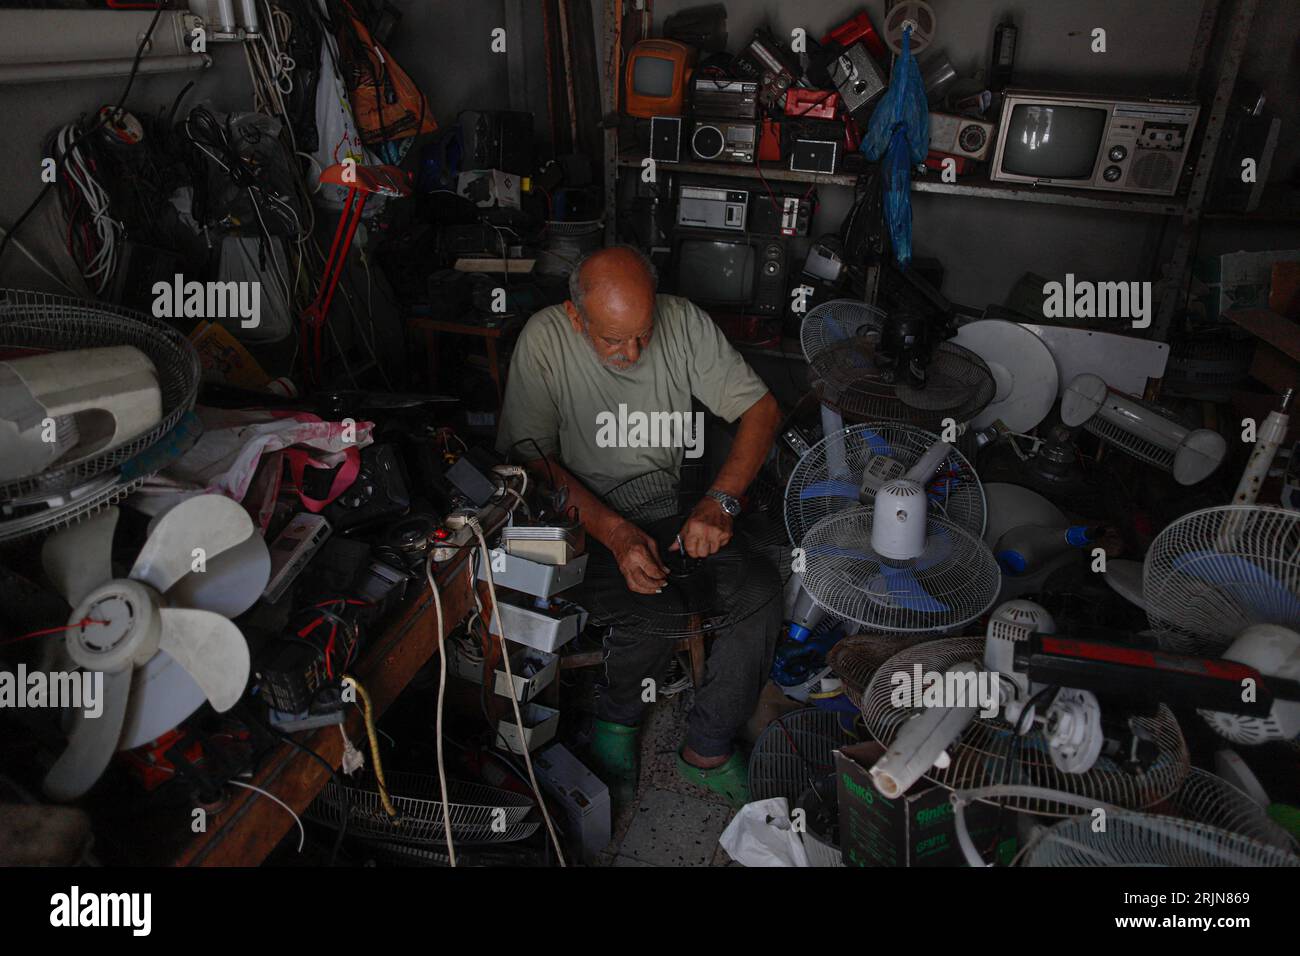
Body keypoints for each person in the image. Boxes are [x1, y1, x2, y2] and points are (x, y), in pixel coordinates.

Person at [495, 245, 782, 808]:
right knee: (654, 609)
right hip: (581, 519)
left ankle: (707, 747)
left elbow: (761, 410)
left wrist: (721, 501)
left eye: (642, 335)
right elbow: (532, 459)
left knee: (761, 592)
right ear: (577, 317)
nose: (631, 352)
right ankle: (616, 724)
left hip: (667, 505)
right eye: (612, 340)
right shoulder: (545, 339)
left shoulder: (682, 320)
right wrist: (617, 534)